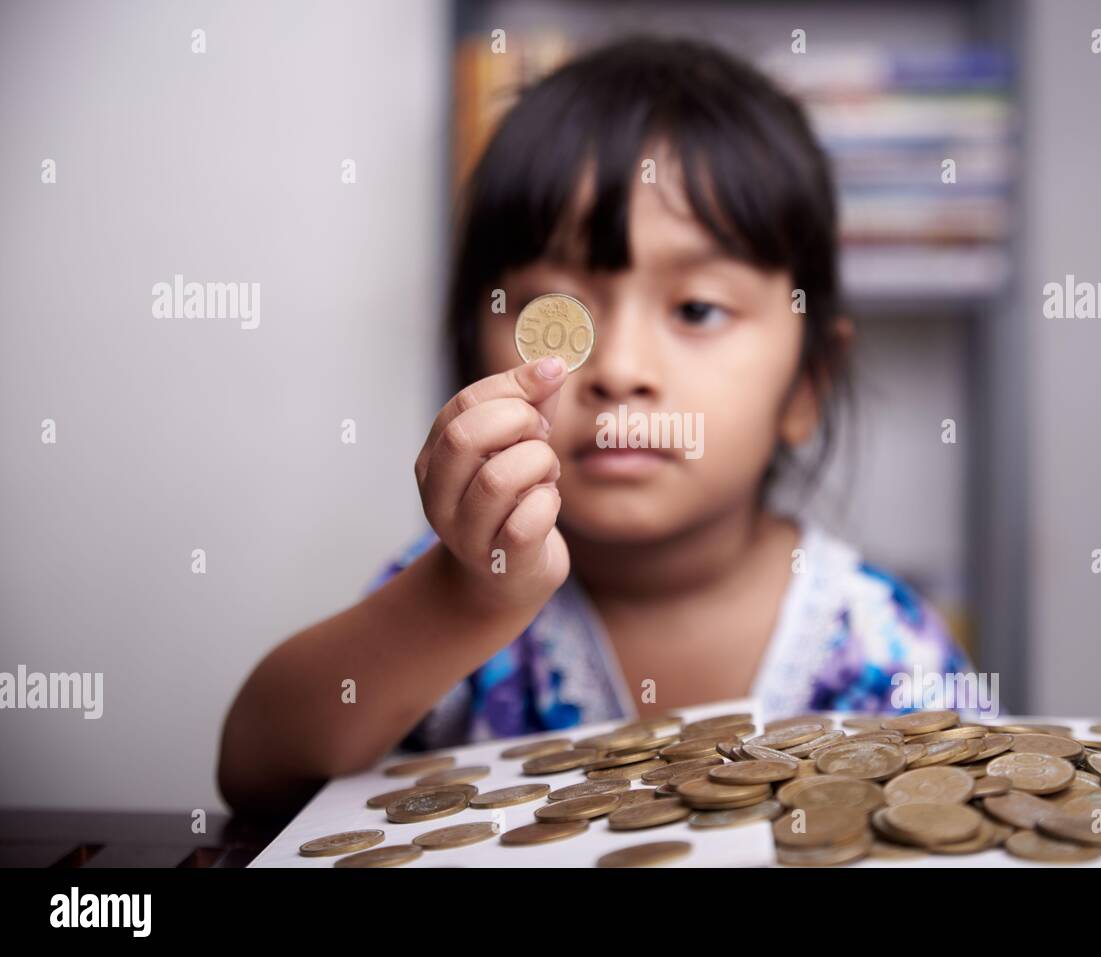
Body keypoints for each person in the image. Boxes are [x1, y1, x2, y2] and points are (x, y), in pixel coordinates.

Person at [218, 36, 973, 814]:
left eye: (697, 309)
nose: (616, 366)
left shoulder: (886, 645)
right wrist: (465, 600)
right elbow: (257, 770)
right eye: (557, 315)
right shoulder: (452, 589)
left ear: (805, 385)